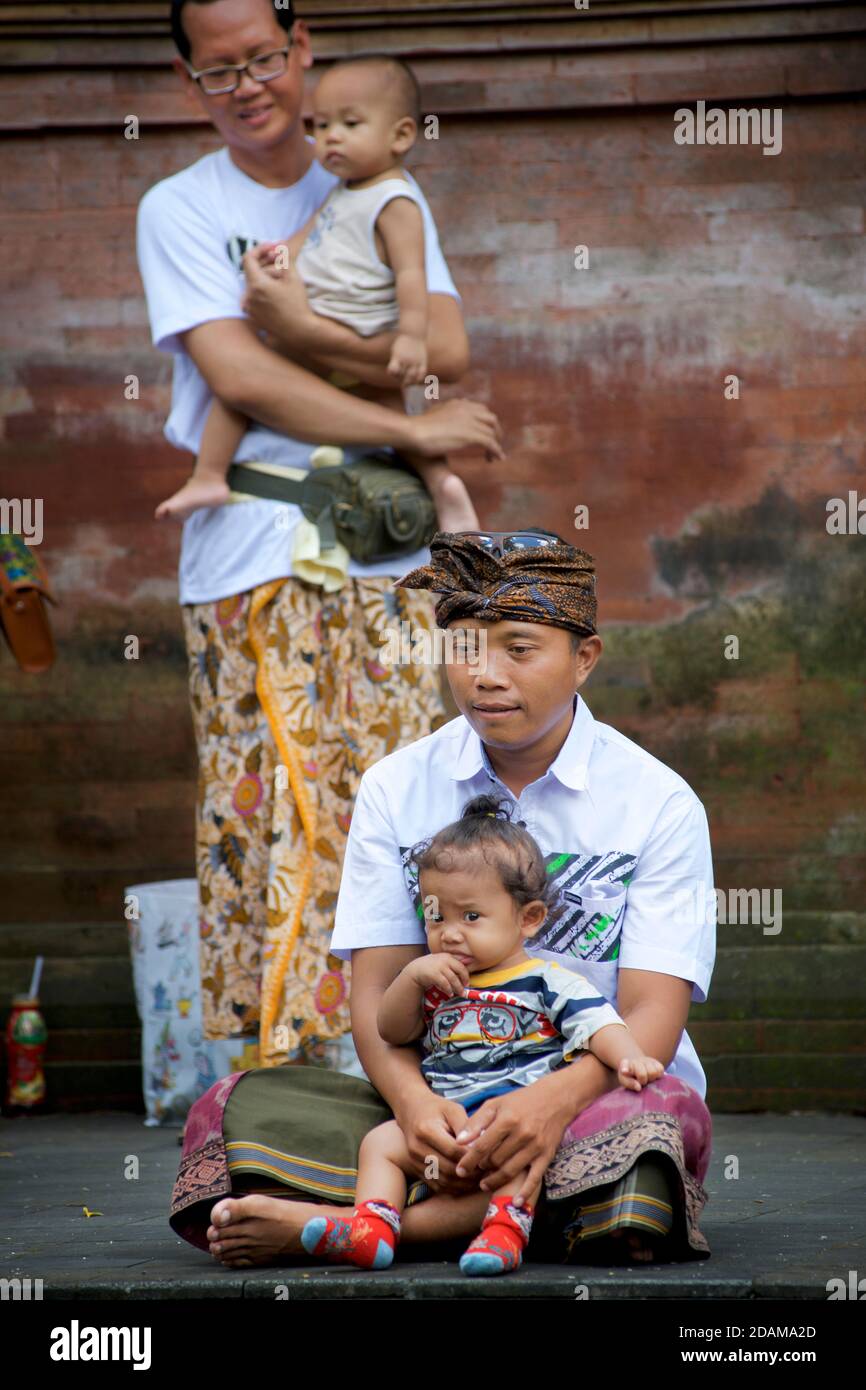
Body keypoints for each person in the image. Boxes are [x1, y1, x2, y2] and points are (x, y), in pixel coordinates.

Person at [170, 530, 716, 1269]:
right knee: (227, 1108)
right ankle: (499, 1215)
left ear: (584, 659)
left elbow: (653, 1014)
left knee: (652, 1130)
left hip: (599, 1095)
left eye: (519, 649)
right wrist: (416, 1109)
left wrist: (549, 1104)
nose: (485, 675)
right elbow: (374, 1004)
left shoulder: (658, 803)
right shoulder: (396, 787)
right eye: (463, 648)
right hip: (439, 1107)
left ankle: (352, 1226)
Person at [137, 0, 502, 1062]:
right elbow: (242, 374)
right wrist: (401, 415)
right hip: (253, 550)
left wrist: (301, 331)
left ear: (301, 50)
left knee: (402, 809)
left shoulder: (380, 182)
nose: (248, 85)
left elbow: (443, 345)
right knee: (265, 813)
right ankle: (276, 1078)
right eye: (219, 72)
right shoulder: (181, 207)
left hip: (390, 556)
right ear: (185, 79)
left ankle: (397, 1068)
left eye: (263, 58)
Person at [299, 792, 666, 1276]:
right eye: (437, 916)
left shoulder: (546, 982)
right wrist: (410, 979)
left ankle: (504, 1231)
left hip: (510, 1115)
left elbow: (599, 1024)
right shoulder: (434, 982)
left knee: (520, 1158)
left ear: (528, 918)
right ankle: (373, 1225)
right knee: (381, 1144)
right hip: (443, 1122)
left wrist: (629, 1059)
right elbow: (390, 1029)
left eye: (470, 917)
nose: (450, 933)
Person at [155, 52, 479, 537]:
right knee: (248, 393)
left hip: (360, 322)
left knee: (384, 404)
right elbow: (306, 237)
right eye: (323, 123)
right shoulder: (344, 188)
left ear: (402, 136)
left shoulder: (397, 201)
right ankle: (209, 476)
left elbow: (412, 277)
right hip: (322, 320)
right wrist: (270, 261)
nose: (331, 137)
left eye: (350, 124)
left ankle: (443, 483)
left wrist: (410, 338)